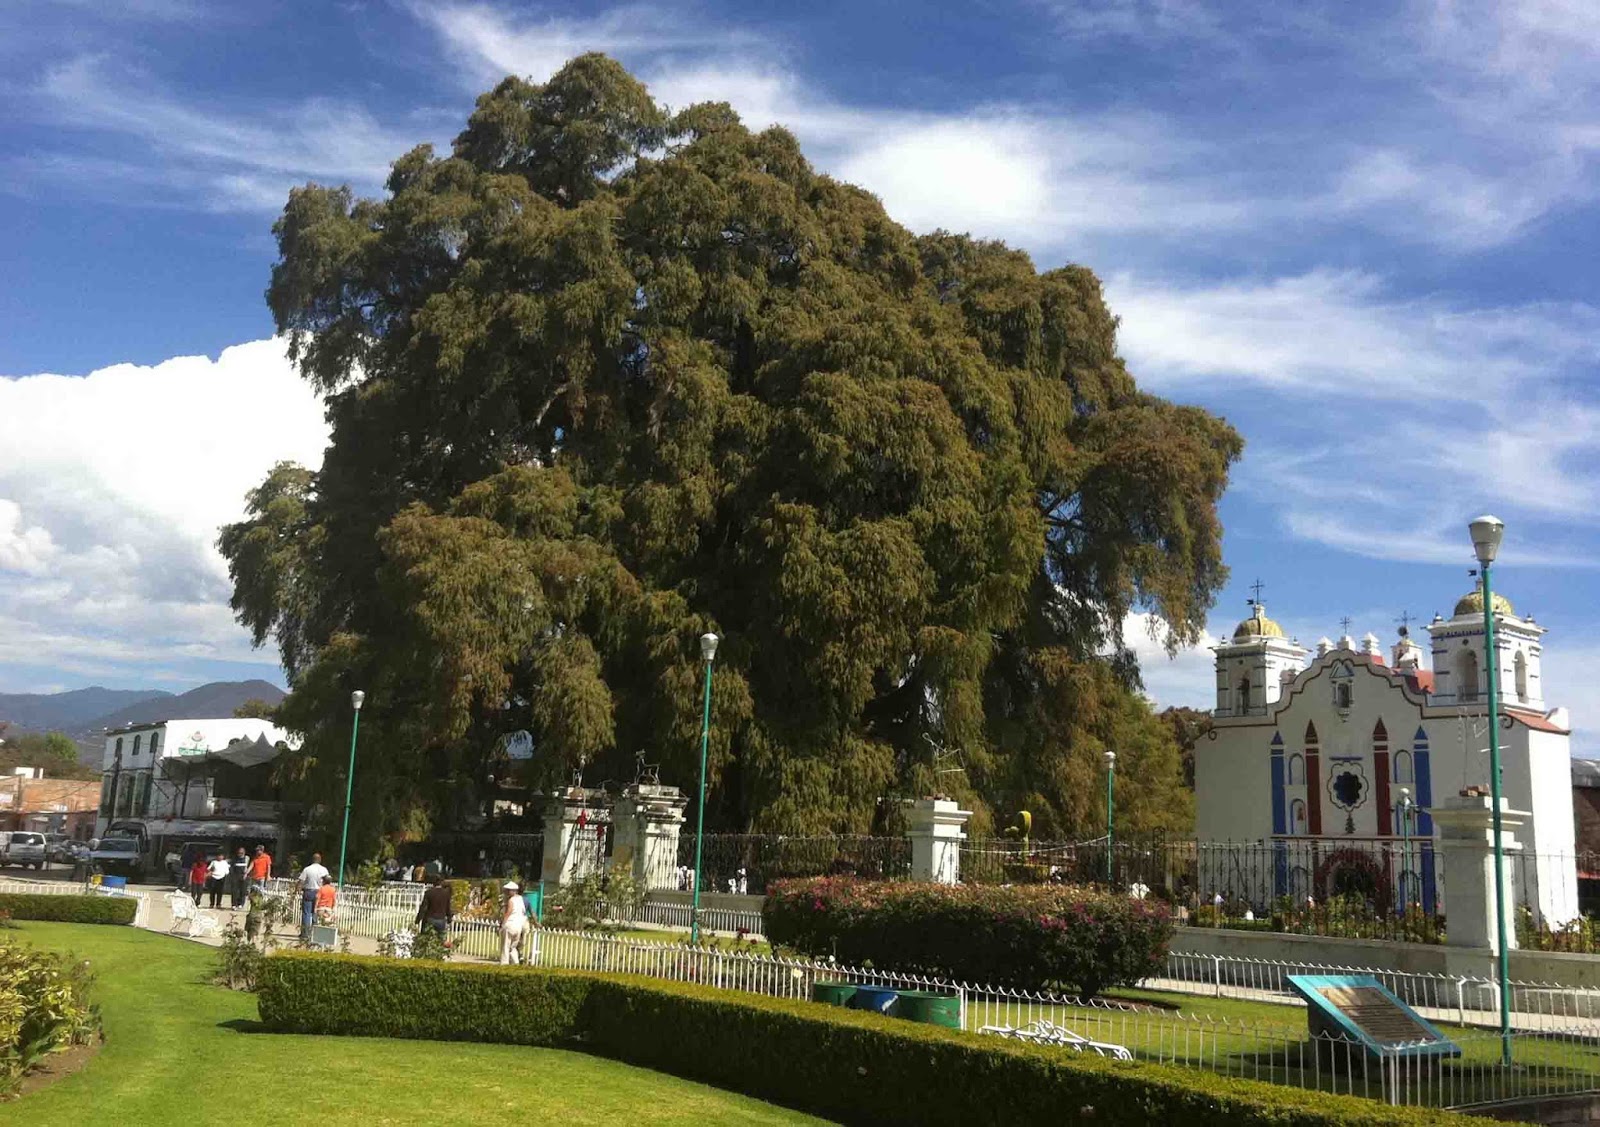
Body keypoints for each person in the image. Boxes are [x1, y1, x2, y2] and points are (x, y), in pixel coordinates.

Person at [297, 852, 330, 936]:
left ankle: (305, 933)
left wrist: (297, 890)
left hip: (308, 891)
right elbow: (328, 881)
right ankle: (315, 933)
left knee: (306, 913)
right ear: (320, 860)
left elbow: (301, 881)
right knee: (316, 912)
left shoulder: (307, 869)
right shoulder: (324, 869)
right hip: (320, 892)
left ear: (312, 859)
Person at [500, 881, 527, 965]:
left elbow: (509, 912)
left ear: (513, 891)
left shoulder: (511, 900)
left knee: (505, 946)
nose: (507, 892)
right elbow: (523, 912)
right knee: (513, 947)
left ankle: (504, 964)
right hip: (518, 926)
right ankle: (515, 963)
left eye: (508, 890)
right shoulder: (520, 899)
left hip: (510, 925)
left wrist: (503, 924)